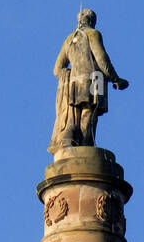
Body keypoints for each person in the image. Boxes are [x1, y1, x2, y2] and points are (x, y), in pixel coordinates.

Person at [48, 9, 129, 154]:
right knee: (89, 113)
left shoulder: (69, 39)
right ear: (92, 21)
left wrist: (67, 78)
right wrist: (116, 79)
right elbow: (101, 59)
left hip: (73, 83)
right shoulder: (93, 34)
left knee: (75, 115)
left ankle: (73, 143)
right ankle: (85, 147)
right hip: (94, 80)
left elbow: (57, 69)